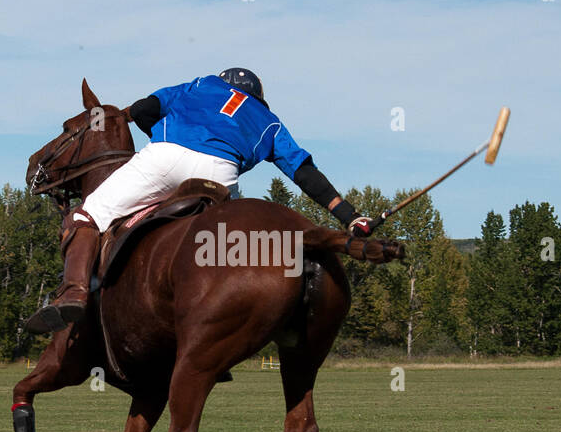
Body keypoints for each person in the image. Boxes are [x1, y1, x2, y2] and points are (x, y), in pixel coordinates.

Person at [25, 68, 375, 333]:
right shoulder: (269, 122)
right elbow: (302, 171)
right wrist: (350, 216)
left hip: (166, 154)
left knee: (87, 217)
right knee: (230, 250)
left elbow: (147, 109)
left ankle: (73, 293)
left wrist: (164, 142)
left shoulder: (202, 84)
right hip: (219, 173)